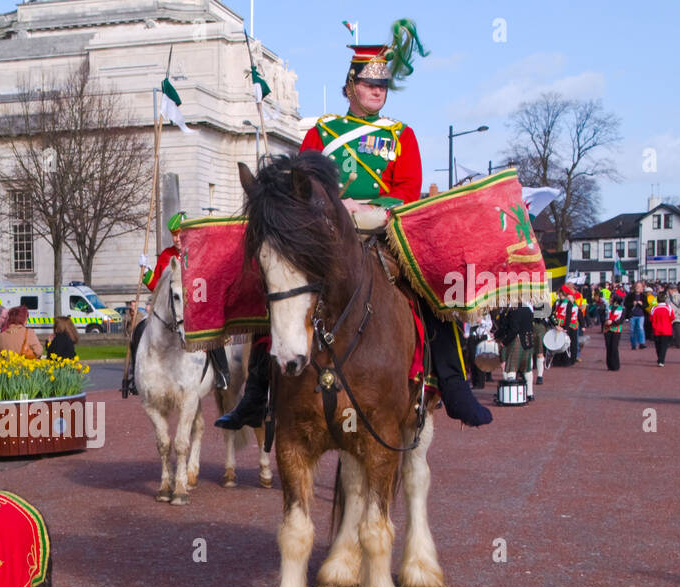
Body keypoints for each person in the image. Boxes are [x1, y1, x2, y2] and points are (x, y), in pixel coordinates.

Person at [220, 19, 490, 431]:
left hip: (382, 225)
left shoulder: (402, 135)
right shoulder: (324, 131)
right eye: (368, 83)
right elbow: (301, 183)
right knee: (278, 282)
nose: (377, 90)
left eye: (382, 85)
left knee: (432, 283)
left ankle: (453, 381)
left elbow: (407, 190)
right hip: (329, 226)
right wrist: (334, 203)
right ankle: (258, 390)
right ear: (350, 86)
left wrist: (369, 204)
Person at [123, 212, 229, 396]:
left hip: (194, 304)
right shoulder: (166, 255)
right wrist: (146, 272)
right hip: (169, 308)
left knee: (210, 330)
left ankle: (222, 372)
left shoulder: (198, 253)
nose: (177, 238)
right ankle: (137, 377)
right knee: (140, 330)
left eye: (181, 234)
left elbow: (205, 282)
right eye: (174, 234)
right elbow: (156, 285)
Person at [650, 297, 674, 366]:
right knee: (664, 346)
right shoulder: (668, 307)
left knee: (658, 346)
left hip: (656, 329)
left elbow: (651, 319)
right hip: (666, 330)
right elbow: (672, 317)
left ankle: (660, 358)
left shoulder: (654, 308)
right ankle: (661, 360)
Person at [603, 298, 623, 371]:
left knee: (614, 347)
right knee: (608, 347)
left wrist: (612, 322)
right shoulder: (608, 308)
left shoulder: (622, 309)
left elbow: (621, 320)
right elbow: (603, 316)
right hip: (607, 329)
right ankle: (609, 365)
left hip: (616, 330)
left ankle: (615, 365)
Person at [626, 282, 647, 349]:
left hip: (641, 315)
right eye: (637, 286)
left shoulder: (643, 296)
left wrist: (641, 304)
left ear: (642, 288)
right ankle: (634, 344)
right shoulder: (630, 295)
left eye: (639, 286)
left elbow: (646, 305)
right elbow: (626, 304)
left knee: (640, 328)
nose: (638, 288)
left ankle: (642, 343)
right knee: (632, 330)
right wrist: (632, 304)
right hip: (632, 315)